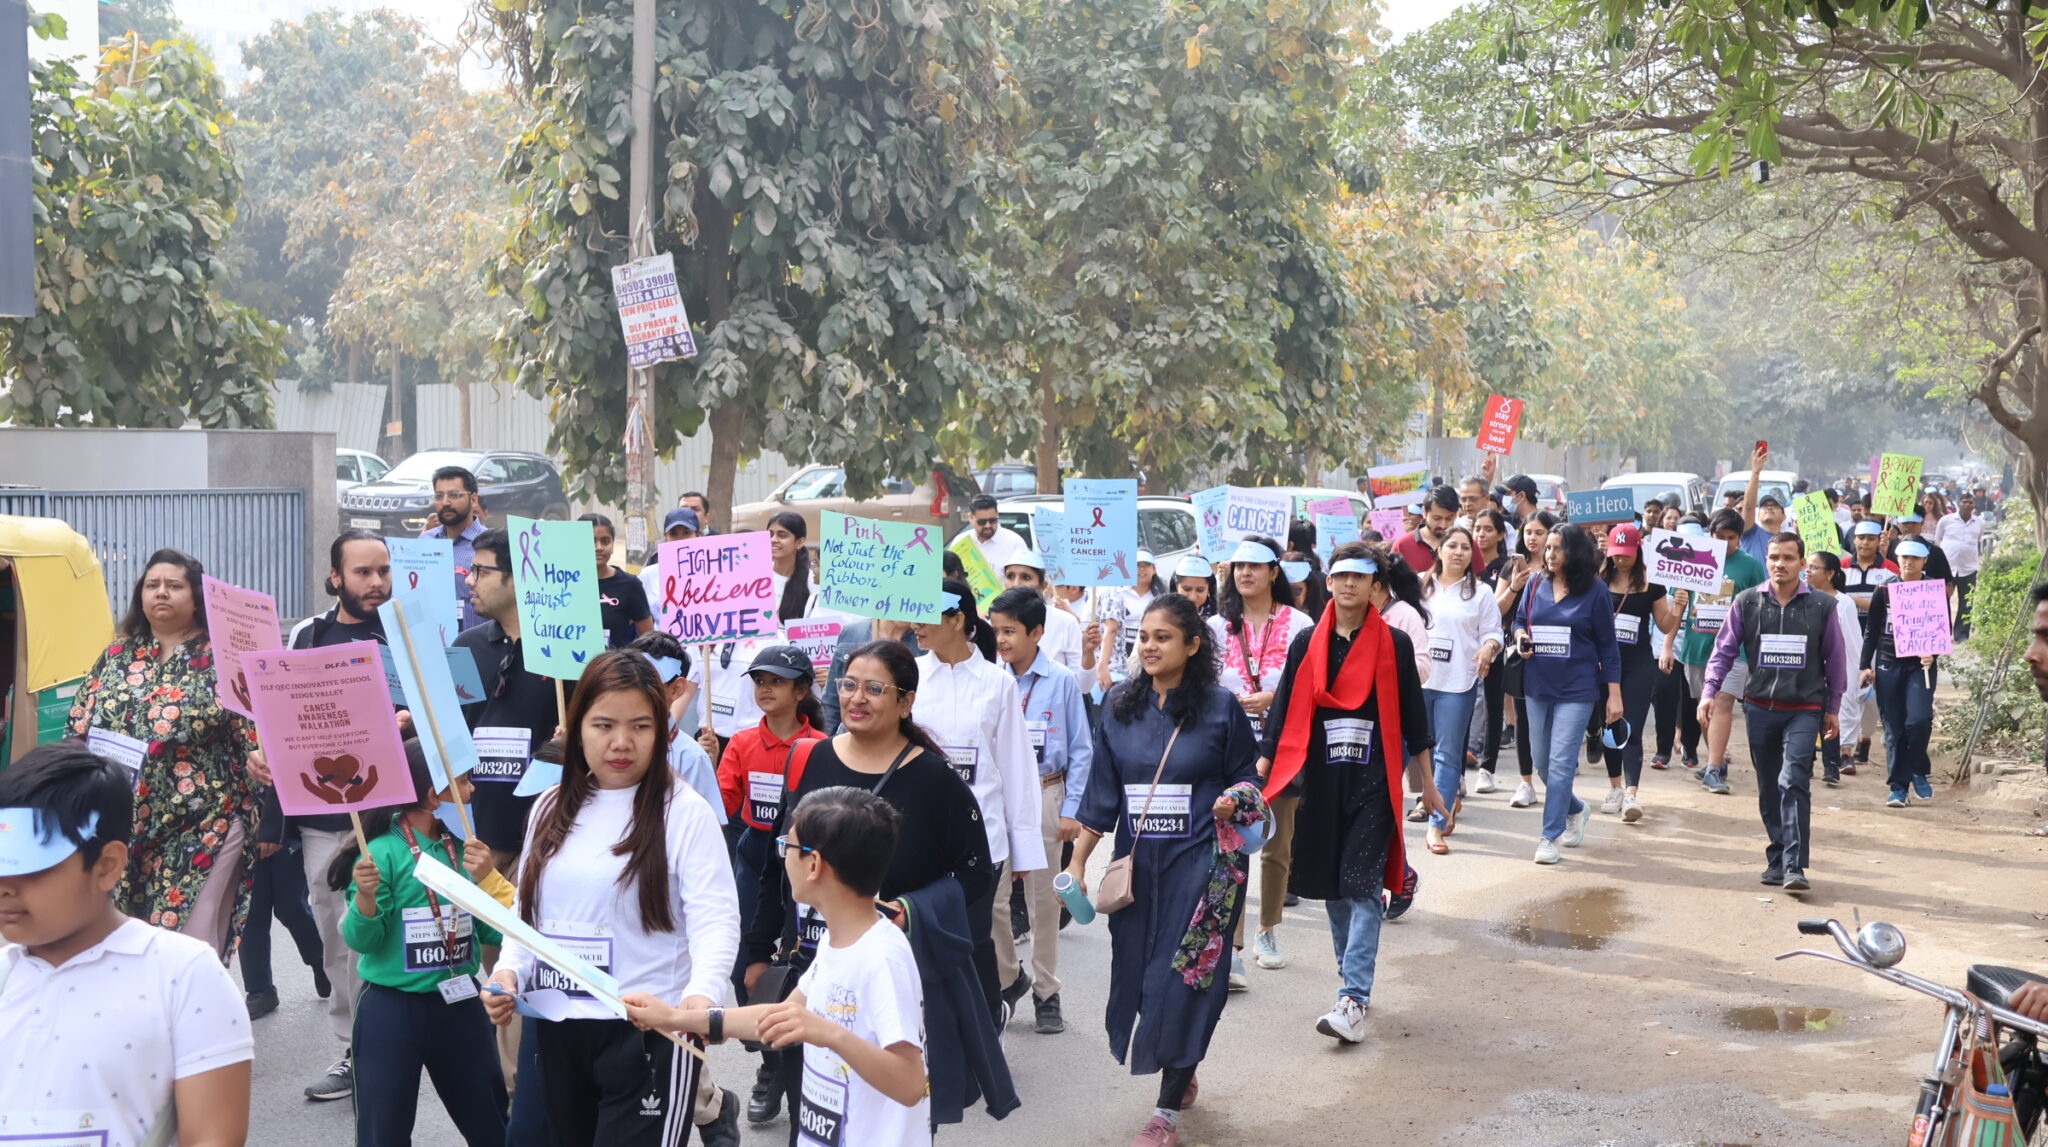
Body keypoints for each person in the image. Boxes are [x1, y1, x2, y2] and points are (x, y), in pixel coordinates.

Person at [483, 650, 741, 1145]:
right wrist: (508, 970)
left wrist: (700, 998)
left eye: (640, 726)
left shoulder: (685, 814)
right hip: (559, 1028)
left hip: (650, 1033)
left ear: (661, 731)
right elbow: (527, 914)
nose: (621, 742)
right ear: (577, 726)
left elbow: (716, 918)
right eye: (604, 725)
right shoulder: (548, 807)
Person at [740, 641, 998, 1123]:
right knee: (814, 1114)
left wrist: (911, 910)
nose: (857, 698)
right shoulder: (807, 759)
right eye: (849, 684)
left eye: (874, 688)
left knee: (885, 1118)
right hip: (811, 969)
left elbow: (975, 873)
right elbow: (778, 862)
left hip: (888, 977)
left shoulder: (934, 778)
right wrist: (757, 950)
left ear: (905, 702)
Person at [1062, 595, 1268, 1147]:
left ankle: (1165, 1112)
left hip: (1203, 868)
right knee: (1142, 977)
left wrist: (1232, 800)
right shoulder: (1119, 707)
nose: (1148, 647)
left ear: (1193, 645)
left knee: (1184, 981)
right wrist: (1078, 862)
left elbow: (1250, 783)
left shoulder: (1222, 708)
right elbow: (1101, 796)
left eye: (1162, 637)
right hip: (1138, 868)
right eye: (1143, 637)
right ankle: (1183, 1062)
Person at [625, 788, 931, 1145]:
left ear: (814, 865)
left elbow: (911, 1083)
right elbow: (781, 1016)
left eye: (789, 846)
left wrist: (828, 1033)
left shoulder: (881, 958)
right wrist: (674, 1019)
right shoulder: (840, 940)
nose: (784, 856)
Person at [0, 742, 254, 1146]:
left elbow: (212, 1137)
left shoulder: (183, 976)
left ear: (106, 866)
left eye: (31, 867)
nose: (6, 887)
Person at [1260, 544, 1441, 1041]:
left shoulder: (1395, 645)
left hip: (1374, 781)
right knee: (1334, 889)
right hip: (1320, 782)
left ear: (1376, 588)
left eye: (1358, 578)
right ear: (1329, 582)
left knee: (1362, 886)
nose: (1347, 585)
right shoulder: (1306, 643)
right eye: (1339, 576)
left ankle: (1354, 997)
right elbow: (1281, 719)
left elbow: (1414, 721)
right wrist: (1258, 778)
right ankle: (1350, 979)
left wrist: (1428, 784)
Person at [67, 549, 261, 958]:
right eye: (153, 585)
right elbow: (78, 729)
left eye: (174, 586)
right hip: (126, 822)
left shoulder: (222, 659)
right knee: (128, 937)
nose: (162, 593)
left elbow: (257, 739)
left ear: (196, 598)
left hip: (206, 820)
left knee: (185, 939)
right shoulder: (117, 656)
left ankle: (194, 1015)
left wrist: (265, 781)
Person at [336, 744, 508, 1146]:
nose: (472, 792)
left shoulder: (466, 853)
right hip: (391, 1010)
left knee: (491, 1124)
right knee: (385, 1132)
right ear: (434, 796)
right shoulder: (380, 851)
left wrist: (490, 882)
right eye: (463, 783)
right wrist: (364, 898)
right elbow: (363, 940)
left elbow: (495, 934)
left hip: (462, 1004)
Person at [282, 530, 400, 1102]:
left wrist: (410, 721)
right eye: (362, 573)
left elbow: (446, 708)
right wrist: (264, 756)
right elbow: (280, 716)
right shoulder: (307, 635)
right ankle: (354, 1048)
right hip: (324, 817)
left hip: (397, 814)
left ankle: (399, 1042)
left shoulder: (406, 633)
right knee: (337, 935)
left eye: (382, 571)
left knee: (394, 929)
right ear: (337, 578)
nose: (375, 583)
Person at [910, 580, 1041, 1023]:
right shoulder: (907, 676)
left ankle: (987, 1022)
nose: (915, 625)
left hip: (983, 838)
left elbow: (1016, 770)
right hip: (919, 833)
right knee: (923, 939)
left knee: (974, 939)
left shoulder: (996, 684)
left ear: (958, 620)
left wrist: (1023, 847)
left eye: (926, 615)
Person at [706, 643, 827, 1125]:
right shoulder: (740, 742)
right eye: (759, 680)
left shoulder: (822, 744)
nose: (765, 689)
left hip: (805, 867)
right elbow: (723, 806)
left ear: (802, 690)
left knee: (800, 971)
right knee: (745, 971)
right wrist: (708, 764)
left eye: (776, 681)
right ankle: (772, 1063)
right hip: (753, 862)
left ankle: (798, 1064)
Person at [1702, 533, 1847, 891]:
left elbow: (1836, 660)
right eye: (1774, 557)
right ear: (1766, 560)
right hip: (1760, 707)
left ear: (1802, 565)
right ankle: (1778, 856)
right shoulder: (1747, 602)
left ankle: (1795, 865)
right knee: (1769, 786)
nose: (1780, 564)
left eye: (1788, 558)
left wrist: (1833, 708)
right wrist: (1709, 692)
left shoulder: (1822, 607)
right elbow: (1723, 651)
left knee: (1793, 779)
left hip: (1804, 708)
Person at [987, 586, 1093, 1036]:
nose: (1002, 640)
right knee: (993, 900)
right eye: (996, 631)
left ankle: (1047, 992)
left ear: (1037, 633)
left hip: (1047, 795)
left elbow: (1081, 751)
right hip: (999, 797)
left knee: (1044, 901)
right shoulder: (990, 680)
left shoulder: (1062, 681)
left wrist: (1071, 810)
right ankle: (1009, 978)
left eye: (1010, 631)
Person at [1207, 538, 1312, 987]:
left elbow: (1309, 688)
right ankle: (1231, 946)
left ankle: (1268, 931)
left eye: (1256, 566)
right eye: (1239, 567)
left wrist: (1275, 699)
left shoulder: (1301, 624)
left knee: (1276, 843)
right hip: (1230, 748)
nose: (1245, 573)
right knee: (1229, 845)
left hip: (1283, 747)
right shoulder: (1215, 626)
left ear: (1275, 573)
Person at [1510, 524, 1623, 865]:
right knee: (1542, 763)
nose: (1549, 554)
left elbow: (1608, 645)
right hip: (1537, 685)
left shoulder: (1596, 592)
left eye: (1557, 548)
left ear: (1575, 552)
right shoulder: (1534, 584)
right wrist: (1519, 639)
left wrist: (1613, 694)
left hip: (1577, 689)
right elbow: (1518, 621)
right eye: (1548, 548)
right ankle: (1575, 808)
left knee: (1560, 764)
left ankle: (1549, 836)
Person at [453, 529, 559, 876]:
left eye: (482, 572)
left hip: (549, 838)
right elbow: (452, 730)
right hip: (477, 839)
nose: (470, 581)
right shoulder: (465, 646)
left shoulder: (567, 653)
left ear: (517, 580)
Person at [1420, 528, 1502, 854]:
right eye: (1451, 546)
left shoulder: (1481, 593)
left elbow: (1493, 633)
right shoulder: (1418, 587)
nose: (1457, 552)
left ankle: (1436, 826)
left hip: (1458, 683)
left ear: (1472, 554)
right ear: (1439, 550)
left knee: (1447, 755)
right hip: (1419, 682)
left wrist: (1488, 650)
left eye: (1465, 547)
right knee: (1420, 754)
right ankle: (1448, 798)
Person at [1677, 511, 1768, 797]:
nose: (1726, 543)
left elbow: (1760, 607)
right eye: (1720, 537)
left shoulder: (1752, 566)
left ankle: (1714, 767)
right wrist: (1669, 645)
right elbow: (1677, 603)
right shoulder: (1692, 559)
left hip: (1734, 650)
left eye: (1732, 538)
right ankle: (1715, 760)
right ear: (1710, 535)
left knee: (1723, 701)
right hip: (1696, 646)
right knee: (1705, 707)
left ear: (1740, 538)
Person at [1596, 524, 1677, 821]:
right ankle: (1614, 786)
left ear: (1638, 551)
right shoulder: (1599, 581)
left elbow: (1665, 625)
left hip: (1638, 663)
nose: (1621, 560)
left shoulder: (1652, 583)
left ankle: (1631, 794)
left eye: (1626, 555)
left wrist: (1678, 607)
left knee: (1632, 727)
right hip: (1603, 664)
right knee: (1610, 727)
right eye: (1616, 555)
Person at [1863, 538, 1943, 809]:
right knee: (1894, 728)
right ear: (1897, 560)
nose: (1908, 562)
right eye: (1903, 557)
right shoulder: (1884, 589)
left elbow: (1943, 630)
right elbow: (1871, 631)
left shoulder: (1933, 590)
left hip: (1921, 666)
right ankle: (1898, 788)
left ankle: (1918, 769)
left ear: (1924, 561)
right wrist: (1866, 665)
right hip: (1888, 663)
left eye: (1914, 558)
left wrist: (1934, 653)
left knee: (1918, 720)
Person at [1494, 512, 1558, 806]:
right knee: (1522, 718)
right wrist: (1515, 586)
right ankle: (1526, 783)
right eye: (1528, 532)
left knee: (1551, 719)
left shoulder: (1558, 567)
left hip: (1556, 652)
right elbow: (1496, 608)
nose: (1532, 537)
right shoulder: (1513, 565)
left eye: (1539, 532)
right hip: (1521, 648)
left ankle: (1555, 778)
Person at [1804, 551, 1865, 787]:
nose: (1807, 571)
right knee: (1806, 715)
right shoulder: (1799, 597)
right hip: (1806, 669)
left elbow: (1852, 640)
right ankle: (1806, 763)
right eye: (1806, 566)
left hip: (1832, 670)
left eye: (1814, 567)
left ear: (1830, 574)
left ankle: (1831, 764)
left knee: (1830, 715)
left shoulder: (1844, 603)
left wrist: (1860, 669)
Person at [423, 464, 489, 630]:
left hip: (479, 650)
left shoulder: (489, 545)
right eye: (439, 496)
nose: (445, 503)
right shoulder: (425, 542)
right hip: (433, 645)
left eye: (454, 495)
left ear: (473, 499)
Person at [1002, 551, 1084, 677]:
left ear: (1043, 586)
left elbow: (1080, 683)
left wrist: (1088, 655)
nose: (1016, 584)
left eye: (1026, 577)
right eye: (1010, 576)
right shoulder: (995, 622)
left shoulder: (1065, 622)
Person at [582, 513, 656, 648]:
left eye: (605, 541)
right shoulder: (559, 583)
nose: (598, 547)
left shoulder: (630, 585)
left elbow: (649, 640)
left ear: (613, 544)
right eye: (590, 540)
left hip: (612, 668)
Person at [1099, 551, 1166, 694]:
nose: (1142, 570)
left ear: (1154, 569)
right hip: (1123, 651)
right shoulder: (1119, 593)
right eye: (1137, 565)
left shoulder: (1160, 597)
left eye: (1146, 565)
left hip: (1148, 649)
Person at [1935, 492, 1986, 639]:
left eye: (1970, 502)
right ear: (1958, 503)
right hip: (1947, 568)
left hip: (1968, 569)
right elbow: (1939, 540)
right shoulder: (1946, 520)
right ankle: (1941, 633)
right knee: (1942, 601)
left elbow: (1979, 540)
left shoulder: (1979, 523)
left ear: (1974, 505)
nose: (1967, 505)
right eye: (1964, 502)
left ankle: (1961, 634)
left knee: (1966, 603)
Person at [640, 506, 705, 607]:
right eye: (673, 534)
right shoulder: (648, 575)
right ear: (666, 537)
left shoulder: (712, 572)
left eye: (687, 533)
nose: (680, 540)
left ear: (697, 535)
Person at [955, 495, 1028, 572]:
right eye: (982, 522)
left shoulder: (1015, 543)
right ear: (970, 517)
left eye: (992, 520)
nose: (988, 525)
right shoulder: (960, 542)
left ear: (997, 515)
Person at [1395, 485, 1457, 574]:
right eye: (1437, 518)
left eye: (1449, 519)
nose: (1443, 525)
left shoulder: (1467, 545)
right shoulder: (1401, 545)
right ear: (1424, 512)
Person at [1887, 505, 1954, 584]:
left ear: (1922, 523)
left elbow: (1948, 584)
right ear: (1898, 524)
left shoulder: (1936, 552)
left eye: (1914, 523)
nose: (1909, 526)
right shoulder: (1889, 547)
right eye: (1905, 523)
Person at [768, 511, 815, 624]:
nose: (773, 540)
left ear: (800, 542)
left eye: (782, 535)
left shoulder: (814, 580)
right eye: (770, 534)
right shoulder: (756, 575)